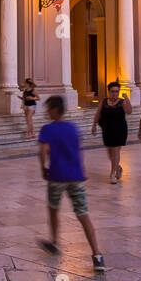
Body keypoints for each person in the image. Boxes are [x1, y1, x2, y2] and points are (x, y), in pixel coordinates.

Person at [37, 95, 105, 271]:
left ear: (54, 110)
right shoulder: (73, 128)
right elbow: (79, 151)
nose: (46, 112)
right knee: (83, 214)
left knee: (53, 208)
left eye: (48, 108)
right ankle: (97, 255)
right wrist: (82, 169)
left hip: (57, 176)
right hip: (76, 176)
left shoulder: (47, 129)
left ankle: (54, 242)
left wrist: (43, 168)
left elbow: (43, 151)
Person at [92, 81, 131, 183]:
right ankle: (117, 167)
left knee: (116, 151)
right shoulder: (104, 102)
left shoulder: (122, 102)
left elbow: (129, 111)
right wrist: (94, 125)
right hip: (107, 129)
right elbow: (98, 113)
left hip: (120, 129)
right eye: (113, 91)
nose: (115, 93)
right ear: (109, 91)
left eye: (116, 91)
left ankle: (112, 173)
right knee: (110, 152)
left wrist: (126, 98)